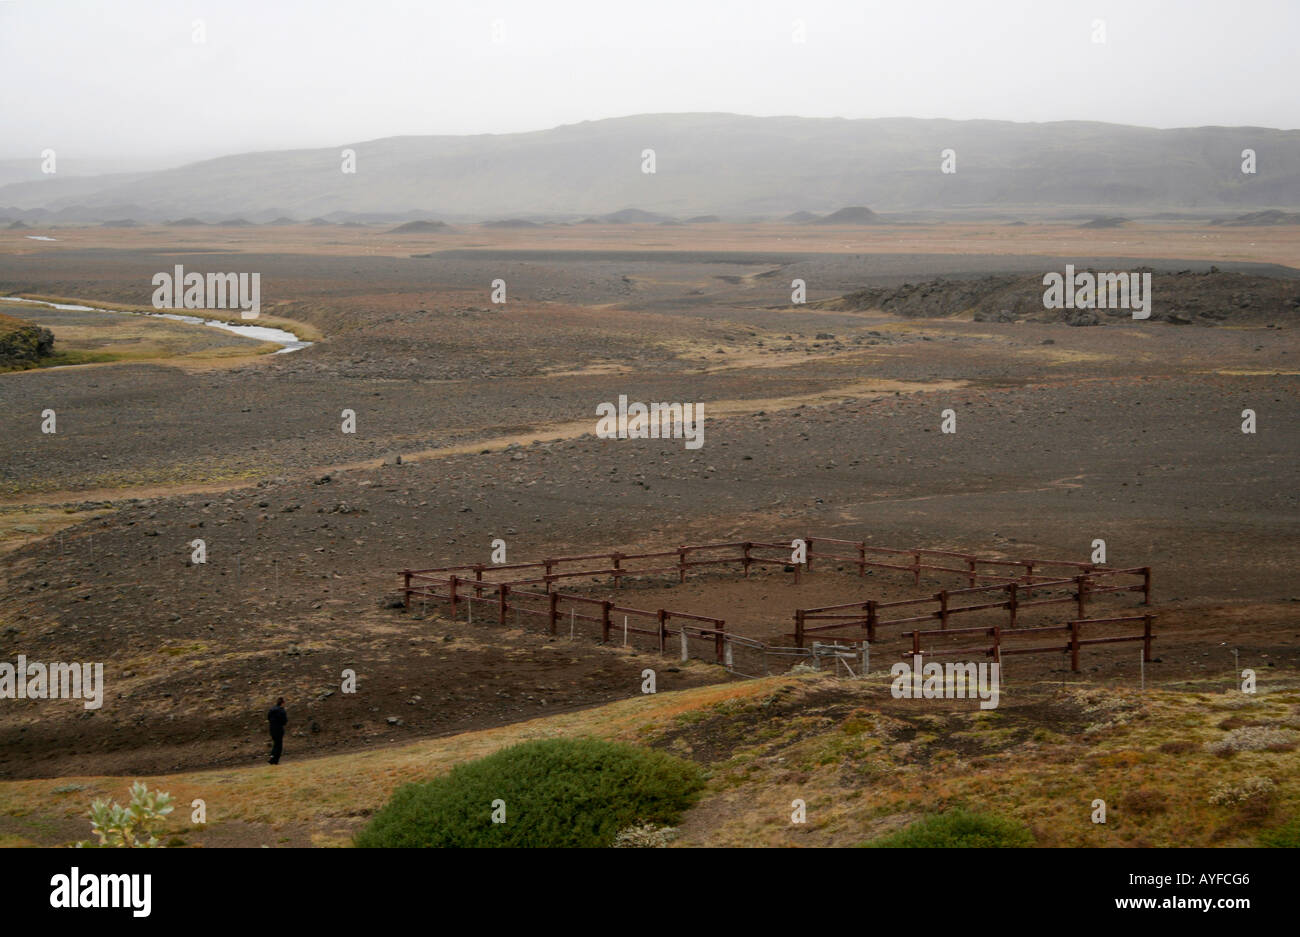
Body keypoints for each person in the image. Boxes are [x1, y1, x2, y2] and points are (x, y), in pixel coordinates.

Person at [267, 697, 288, 764]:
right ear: (282, 703)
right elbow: (284, 721)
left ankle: (272, 756)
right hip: (279, 729)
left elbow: (268, 718)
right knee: (279, 745)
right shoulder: (282, 711)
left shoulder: (271, 710)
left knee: (275, 744)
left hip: (272, 729)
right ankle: (274, 760)